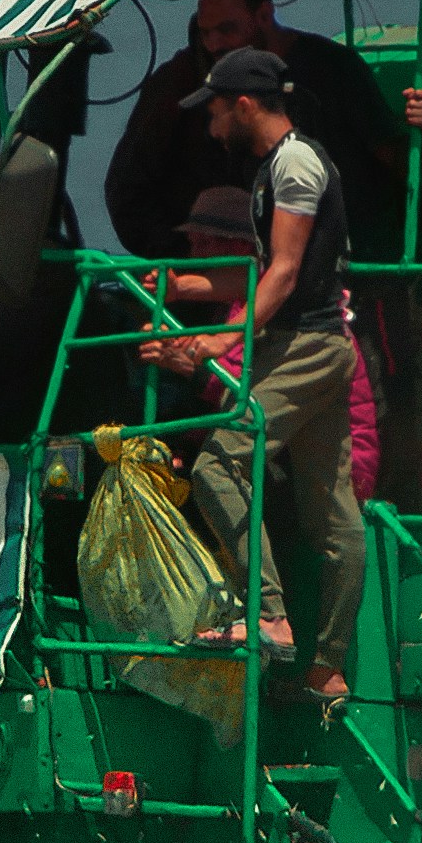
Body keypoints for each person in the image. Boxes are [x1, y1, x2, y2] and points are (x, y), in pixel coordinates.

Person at [166, 43, 362, 707]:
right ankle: (327, 666)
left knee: (217, 466)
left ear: (244, 103)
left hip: (307, 342)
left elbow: (282, 272)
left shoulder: (296, 163)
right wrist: (175, 281)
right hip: (314, 341)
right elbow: (260, 271)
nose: (211, 121)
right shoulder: (273, 170)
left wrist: (223, 336)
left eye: (216, 108)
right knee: (329, 510)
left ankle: (269, 613)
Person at [102, 0, 416, 266]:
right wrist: (187, 257)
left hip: (323, 263)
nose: (214, 44)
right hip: (222, 271)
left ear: (264, 15)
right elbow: (128, 189)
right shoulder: (181, 80)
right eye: (205, 32)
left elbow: (396, 160)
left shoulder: (330, 73)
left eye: (226, 30)